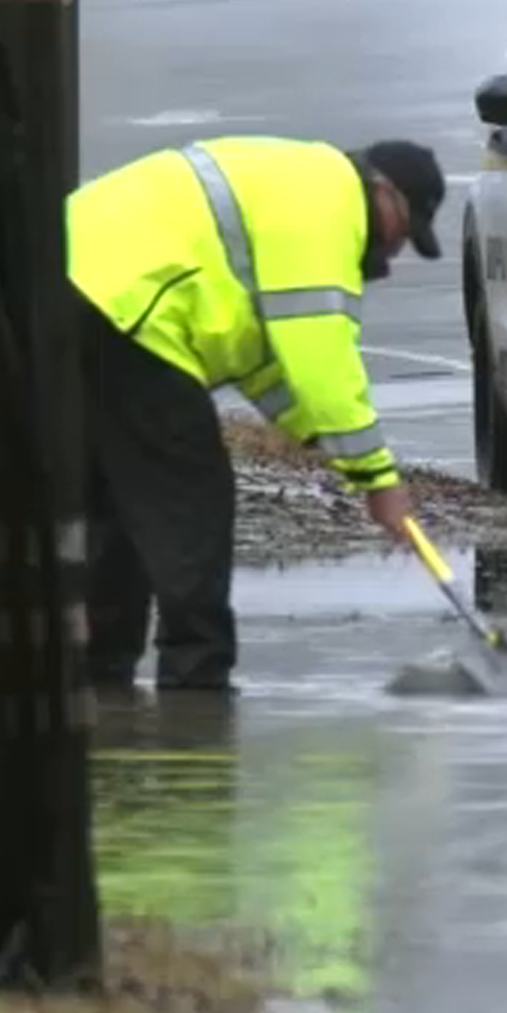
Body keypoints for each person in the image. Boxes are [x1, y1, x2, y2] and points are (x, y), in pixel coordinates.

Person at [67, 135, 448, 692]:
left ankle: (100, 664)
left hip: (78, 286)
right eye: (402, 234)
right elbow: (325, 365)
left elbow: (265, 364)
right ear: (385, 194)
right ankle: (196, 673)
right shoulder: (330, 208)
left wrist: (319, 439)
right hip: (130, 307)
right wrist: (378, 482)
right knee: (192, 494)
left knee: (120, 497)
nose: (392, 254)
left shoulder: (301, 184)